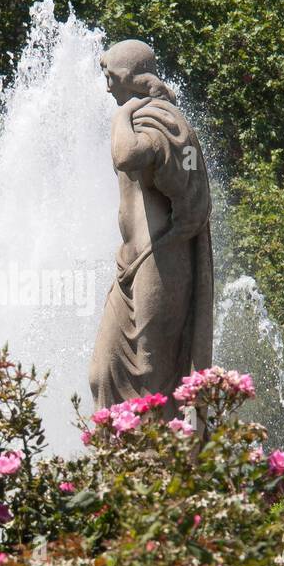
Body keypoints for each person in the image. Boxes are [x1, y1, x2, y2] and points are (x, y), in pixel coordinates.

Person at [89, 39, 213, 416]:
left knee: (151, 376)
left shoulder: (160, 118)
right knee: (103, 372)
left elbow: (127, 156)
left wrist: (120, 116)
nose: (108, 86)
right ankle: (118, 469)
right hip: (132, 265)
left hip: (159, 262)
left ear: (129, 75)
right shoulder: (146, 114)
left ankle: (159, 467)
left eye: (111, 76)